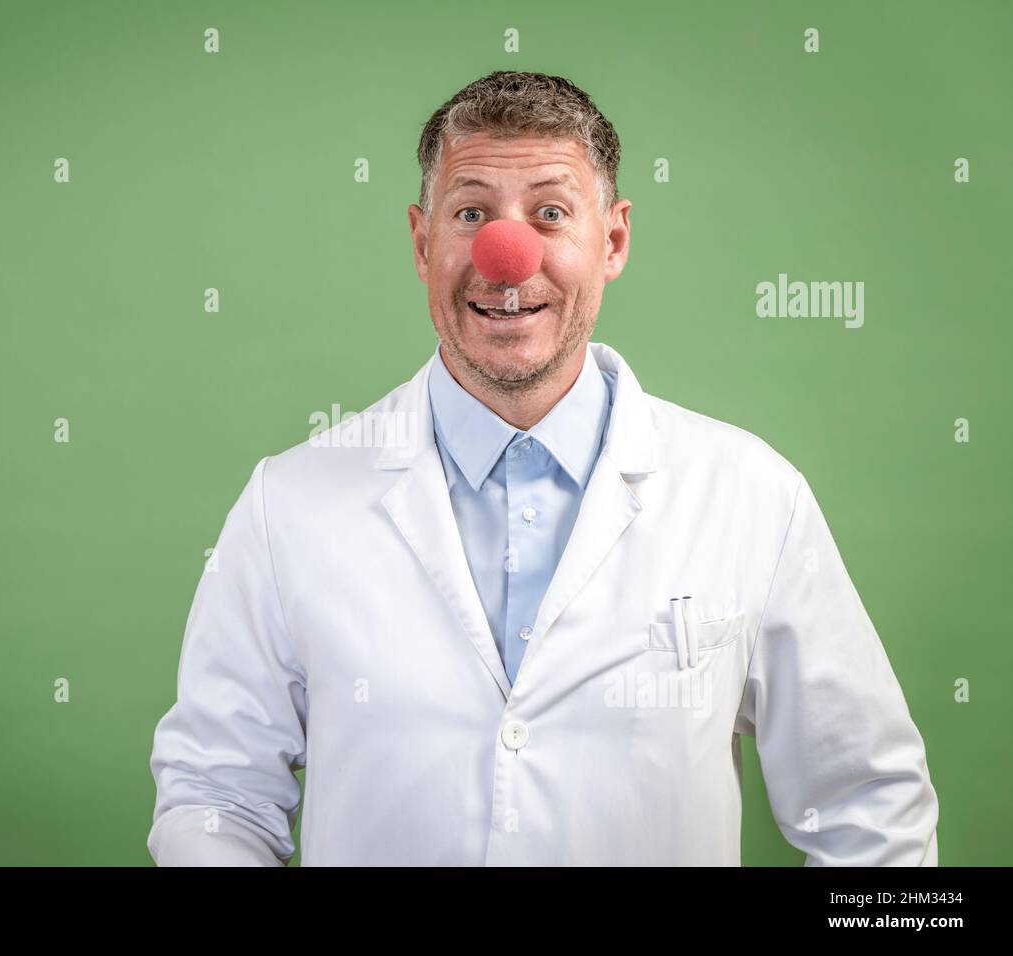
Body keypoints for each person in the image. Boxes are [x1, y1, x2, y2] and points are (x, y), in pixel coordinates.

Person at [147, 70, 939, 866]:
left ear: (614, 241)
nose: (506, 255)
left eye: (550, 214)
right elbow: (216, 796)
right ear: (423, 244)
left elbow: (868, 810)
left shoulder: (752, 497)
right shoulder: (288, 504)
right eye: (471, 214)